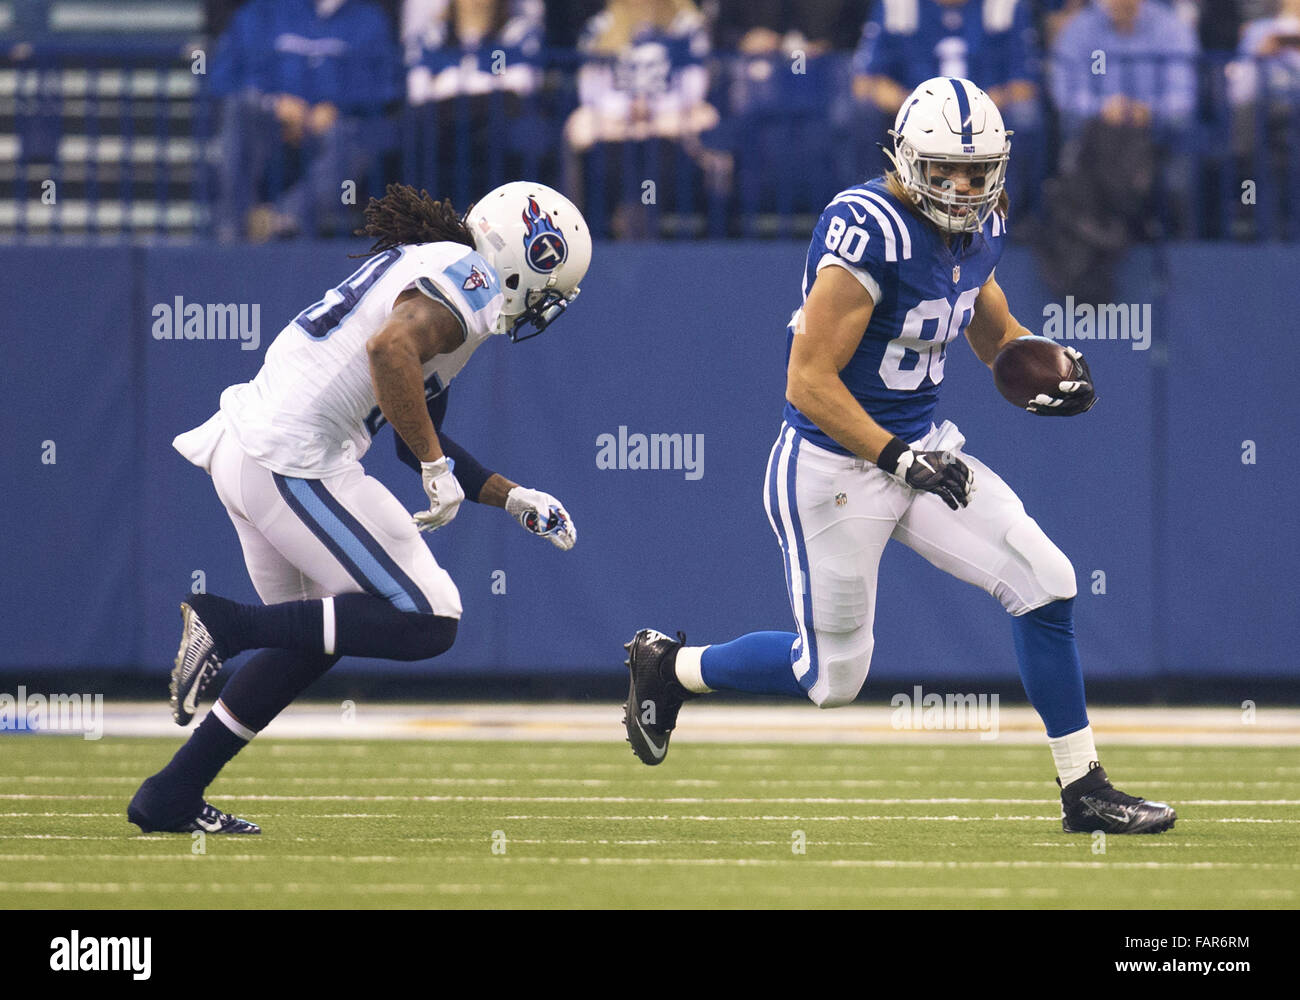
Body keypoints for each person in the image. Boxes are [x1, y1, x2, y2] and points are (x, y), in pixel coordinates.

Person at [622, 77, 1177, 836]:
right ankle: (670, 667)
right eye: (944, 168)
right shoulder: (868, 228)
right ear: (907, 158)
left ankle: (1084, 789)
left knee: (1046, 583)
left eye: (975, 172)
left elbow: (989, 322)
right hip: (833, 468)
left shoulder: (985, 224)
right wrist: (896, 457)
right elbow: (808, 383)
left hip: (920, 453)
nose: (960, 186)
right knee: (830, 679)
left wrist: (1033, 359)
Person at [128, 181, 591, 834]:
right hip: (292, 461)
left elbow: (411, 430)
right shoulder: (474, 280)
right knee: (432, 617)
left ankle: (171, 793)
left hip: (249, 451)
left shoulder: (436, 264)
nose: (545, 305)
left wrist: (511, 498)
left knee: (320, 633)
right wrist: (435, 467)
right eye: (550, 286)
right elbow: (388, 352)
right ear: (527, 256)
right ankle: (223, 623)